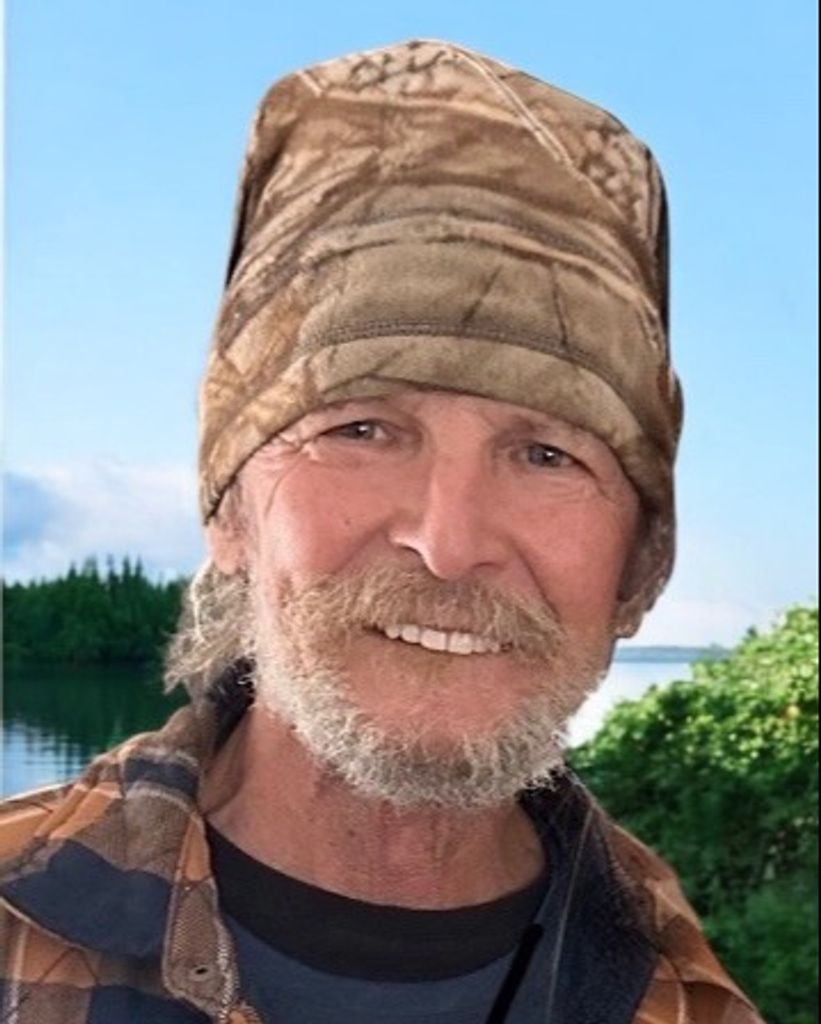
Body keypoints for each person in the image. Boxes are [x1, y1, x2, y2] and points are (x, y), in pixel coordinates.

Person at [0, 39, 763, 1024]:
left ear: (636, 562)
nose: (449, 542)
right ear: (229, 507)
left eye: (546, 455)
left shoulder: (685, 1002)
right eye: (360, 430)